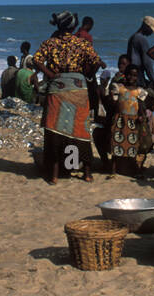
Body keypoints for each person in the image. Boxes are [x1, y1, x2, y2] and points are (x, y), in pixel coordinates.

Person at [32, 11, 102, 185]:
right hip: (78, 87)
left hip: (57, 87)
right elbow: (96, 62)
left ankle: (54, 175)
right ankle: (86, 173)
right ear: (73, 26)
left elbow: (36, 60)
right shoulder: (82, 43)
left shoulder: (50, 43)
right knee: (80, 129)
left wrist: (49, 73)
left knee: (56, 129)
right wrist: (88, 75)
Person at [106, 65, 151, 177]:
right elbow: (114, 104)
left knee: (133, 145)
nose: (132, 77)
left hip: (133, 121)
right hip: (120, 119)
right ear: (125, 75)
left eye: (135, 75)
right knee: (117, 143)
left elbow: (141, 106)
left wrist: (141, 116)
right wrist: (112, 99)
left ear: (138, 77)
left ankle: (135, 170)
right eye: (130, 74)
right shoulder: (119, 88)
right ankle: (113, 170)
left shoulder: (140, 91)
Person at [126, 16, 154, 93]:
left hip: (130, 74)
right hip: (138, 76)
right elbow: (147, 63)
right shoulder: (142, 39)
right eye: (151, 29)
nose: (151, 32)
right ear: (146, 26)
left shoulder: (133, 37)